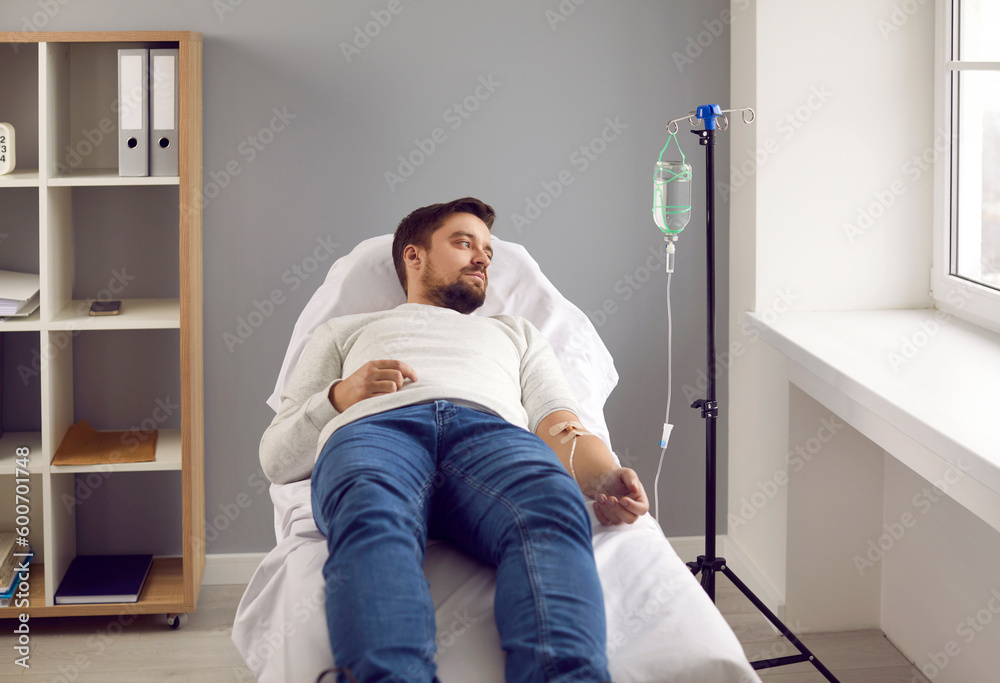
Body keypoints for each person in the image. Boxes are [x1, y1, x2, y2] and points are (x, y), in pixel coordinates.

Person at [259, 197, 649, 683]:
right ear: (413, 256)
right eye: (465, 243)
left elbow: (560, 424)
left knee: (552, 505)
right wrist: (341, 395)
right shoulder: (344, 331)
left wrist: (606, 477)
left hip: (491, 437)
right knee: (370, 510)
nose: (483, 257)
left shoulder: (516, 333)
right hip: (377, 431)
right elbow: (278, 459)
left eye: (487, 250)